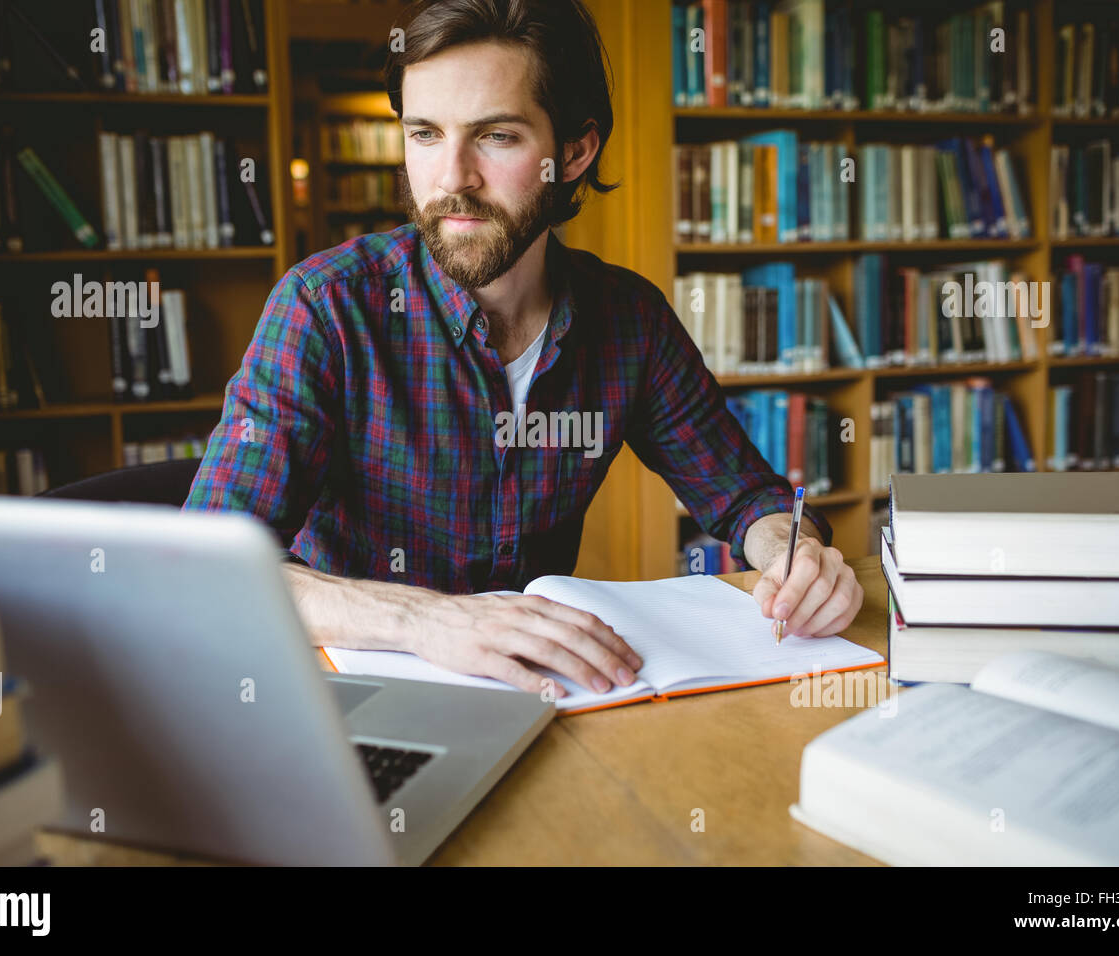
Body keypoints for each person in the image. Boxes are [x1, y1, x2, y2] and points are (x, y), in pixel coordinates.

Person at [184, 0, 863, 700]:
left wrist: (796, 555)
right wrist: (430, 620)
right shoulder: (324, 308)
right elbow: (205, 571)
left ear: (573, 151)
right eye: (424, 134)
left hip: (547, 703)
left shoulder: (629, 320)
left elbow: (749, 497)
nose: (451, 178)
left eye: (496, 137)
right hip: (353, 701)